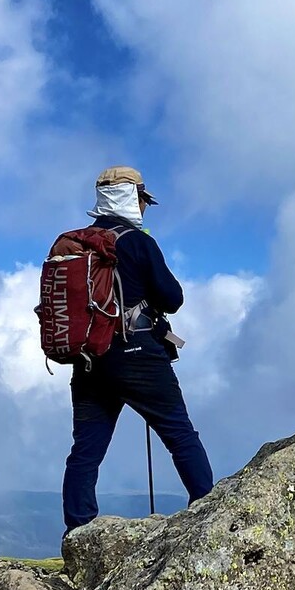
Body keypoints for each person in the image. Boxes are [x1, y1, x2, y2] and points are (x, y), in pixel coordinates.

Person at [62, 165, 214, 531]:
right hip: (137, 353)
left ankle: (79, 533)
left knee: (86, 451)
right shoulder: (136, 241)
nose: (145, 208)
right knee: (179, 433)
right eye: (143, 200)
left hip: (88, 357)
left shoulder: (76, 243)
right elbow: (172, 298)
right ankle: (211, 516)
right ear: (134, 199)